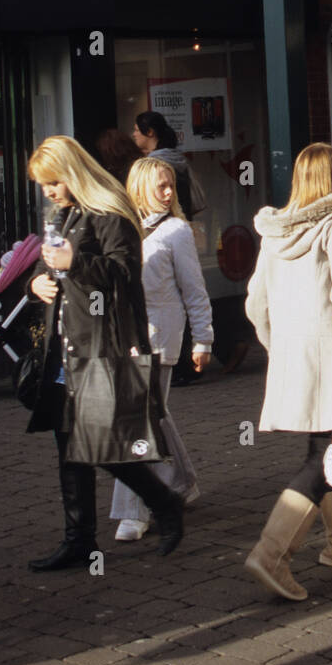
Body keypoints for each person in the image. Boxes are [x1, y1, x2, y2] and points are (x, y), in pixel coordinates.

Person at [25, 135, 184, 570]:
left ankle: (164, 503)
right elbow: (47, 265)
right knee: (70, 443)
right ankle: (79, 538)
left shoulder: (110, 214)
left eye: (53, 182)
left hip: (100, 344)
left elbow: (121, 274)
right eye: (44, 186)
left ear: (73, 173)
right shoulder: (65, 214)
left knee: (99, 446)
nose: (49, 192)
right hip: (66, 345)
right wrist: (35, 283)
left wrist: (72, 263)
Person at [243, 143, 332, 601]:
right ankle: (272, 552)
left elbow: (255, 302)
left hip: (294, 358)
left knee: (326, 448)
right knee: (324, 460)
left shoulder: (275, 230)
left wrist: (278, 347)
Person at [109, 158, 213, 540]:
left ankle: (133, 510)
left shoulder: (176, 231)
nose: (169, 194)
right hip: (124, 337)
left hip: (159, 337)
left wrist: (203, 339)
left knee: (138, 419)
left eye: (172, 186)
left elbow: (194, 289)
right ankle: (180, 482)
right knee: (156, 416)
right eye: (161, 187)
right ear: (139, 188)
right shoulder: (121, 226)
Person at [132, 112, 193, 220]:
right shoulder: (175, 157)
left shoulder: (156, 165)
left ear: (150, 132)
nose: (134, 134)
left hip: (165, 221)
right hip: (181, 218)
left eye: (137, 130)